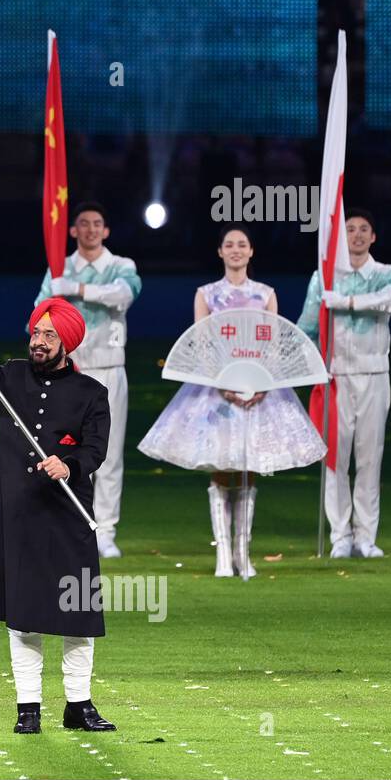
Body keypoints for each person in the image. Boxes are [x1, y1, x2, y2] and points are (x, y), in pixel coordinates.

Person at [0, 297, 115, 735]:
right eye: (36, 331)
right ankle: (28, 708)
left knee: (76, 611)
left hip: (68, 516)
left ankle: (79, 705)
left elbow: (95, 449)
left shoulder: (93, 393)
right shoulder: (11, 376)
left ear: (67, 342)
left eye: (49, 335)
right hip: (16, 513)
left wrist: (68, 464)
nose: (39, 340)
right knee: (23, 613)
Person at [138, 226, 325, 577]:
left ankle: (243, 554)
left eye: (242, 245)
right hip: (217, 391)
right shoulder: (206, 294)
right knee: (221, 465)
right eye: (229, 245)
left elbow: (272, 344)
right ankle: (224, 556)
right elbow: (202, 342)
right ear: (220, 252)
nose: (236, 250)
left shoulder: (265, 293)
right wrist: (222, 382)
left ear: (251, 252)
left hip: (258, 390)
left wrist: (262, 384)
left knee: (249, 466)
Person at [33, 202, 141, 559]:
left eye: (98, 223)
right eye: (84, 224)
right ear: (73, 230)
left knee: (106, 455)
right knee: (64, 453)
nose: (91, 229)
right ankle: (69, 525)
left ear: (106, 231)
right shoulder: (58, 269)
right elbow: (37, 316)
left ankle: (105, 531)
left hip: (109, 368)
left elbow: (124, 296)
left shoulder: (120, 266)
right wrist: (56, 295)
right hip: (71, 371)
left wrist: (77, 288)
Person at [297, 209, 391, 559]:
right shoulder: (324, 277)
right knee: (335, 459)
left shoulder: (385, 274)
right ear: (341, 237)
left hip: (374, 376)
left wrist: (346, 302)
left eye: (363, 230)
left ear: (373, 237)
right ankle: (340, 536)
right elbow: (307, 328)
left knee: (369, 459)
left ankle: (366, 537)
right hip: (336, 378)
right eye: (350, 229)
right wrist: (308, 366)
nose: (357, 235)